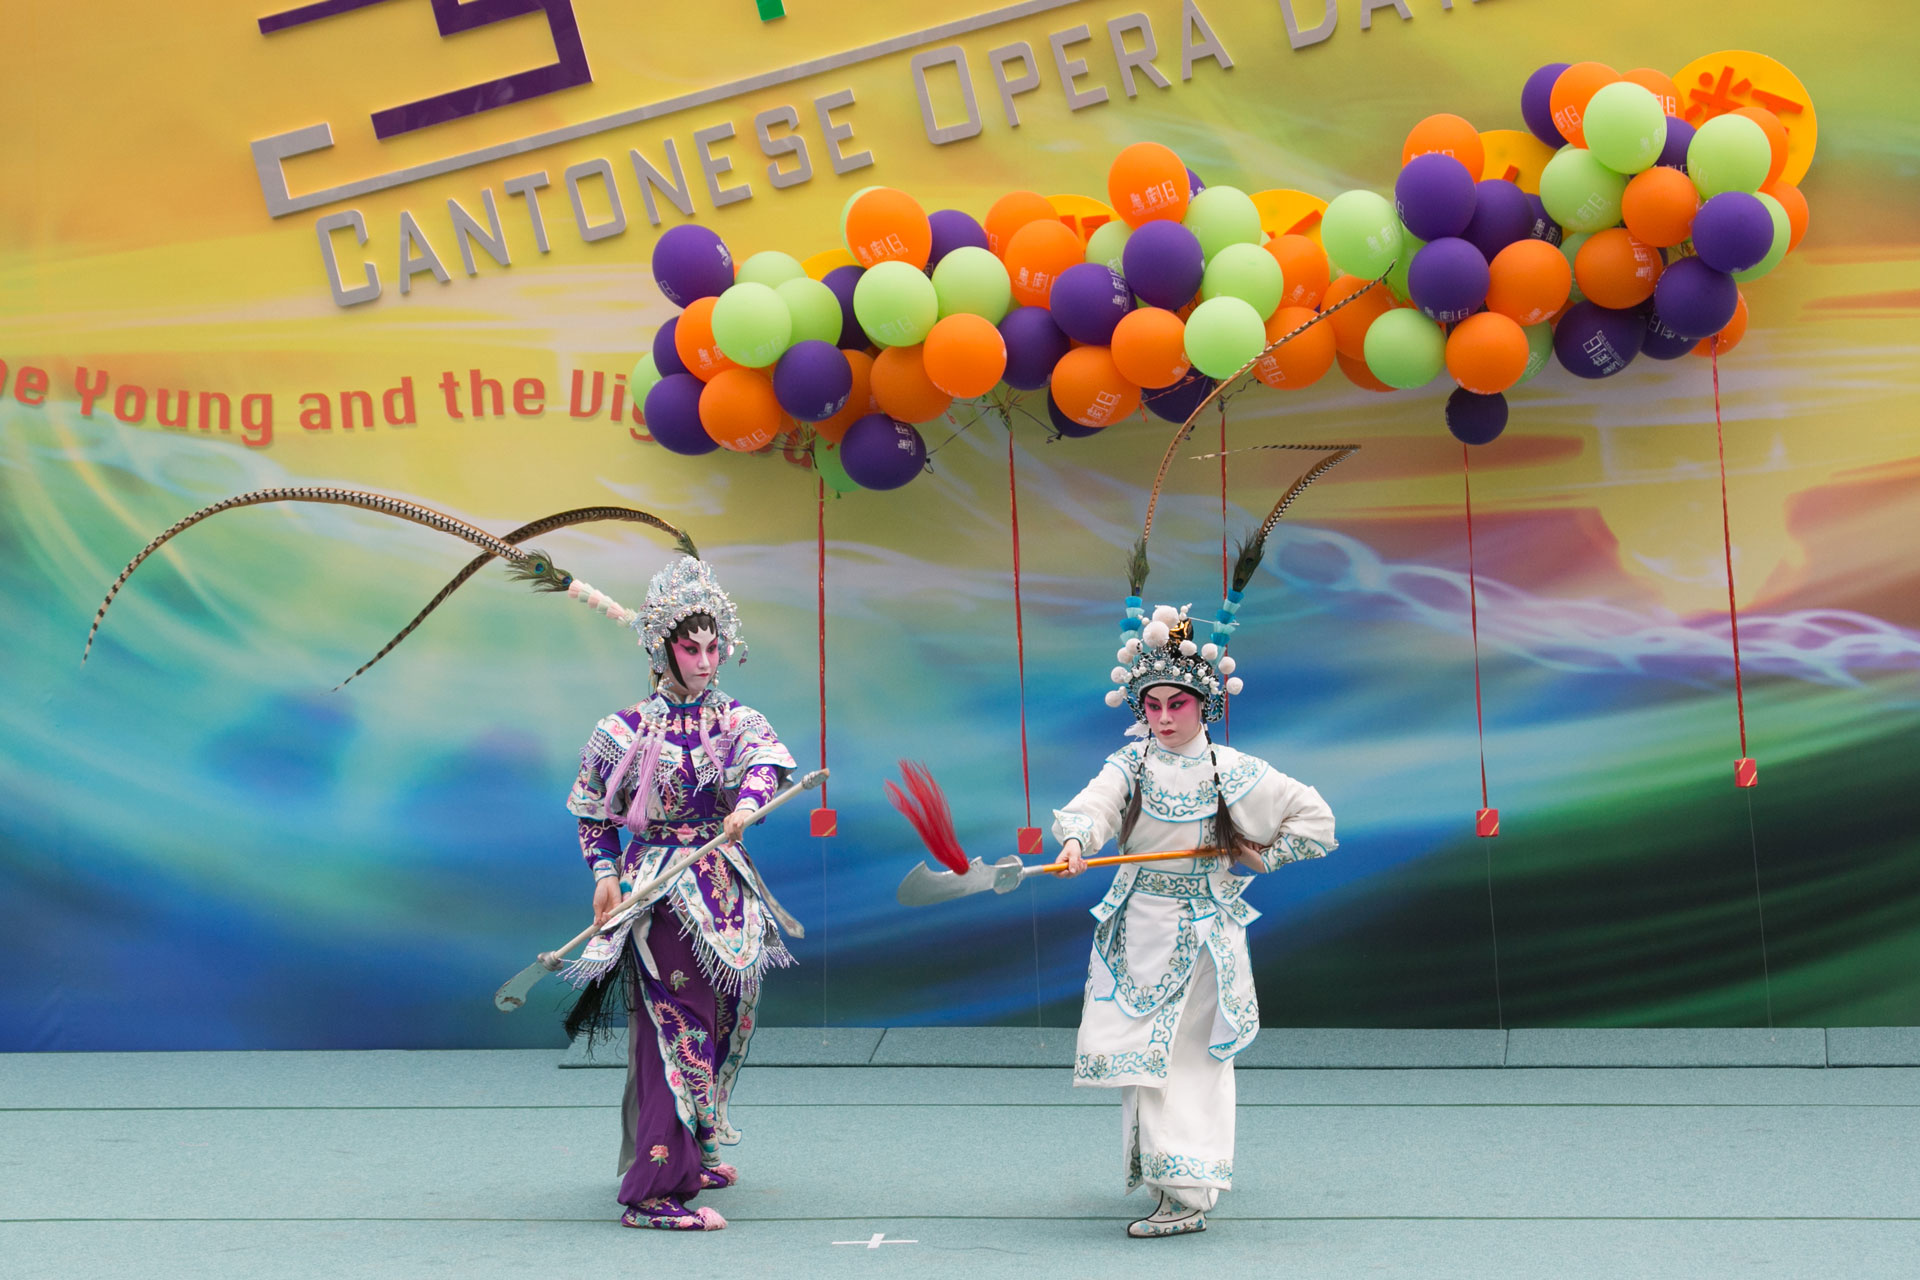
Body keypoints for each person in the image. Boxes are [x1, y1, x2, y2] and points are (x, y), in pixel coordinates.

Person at [1051, 602, 1335, 1238]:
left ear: (1203, 705)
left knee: (1184, 1060)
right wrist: (1075, 843)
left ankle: (1187, 1192)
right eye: (1152, 706)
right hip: (1135, 932)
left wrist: (1260, 856)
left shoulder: (1233, 771)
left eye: (1176, 704)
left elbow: (1316, 821)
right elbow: (1096, 805)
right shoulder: (1131, 764)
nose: (1164, 718)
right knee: (1142, 1060)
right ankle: (1168, 1178)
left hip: (1203, 935)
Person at [560, 555, 797, 1231]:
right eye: (691, 649)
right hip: (658, 895)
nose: (705, 660)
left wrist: (746, 805)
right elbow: (592, 812)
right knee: (675, 1026)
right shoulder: (622, 730)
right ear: (663, 650)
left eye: (713, 647)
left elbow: (764, 763)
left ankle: (695, 1151)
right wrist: (605, 875)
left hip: (723, 889)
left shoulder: (735, 719)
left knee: (724, 1016)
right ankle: (653, 1190)